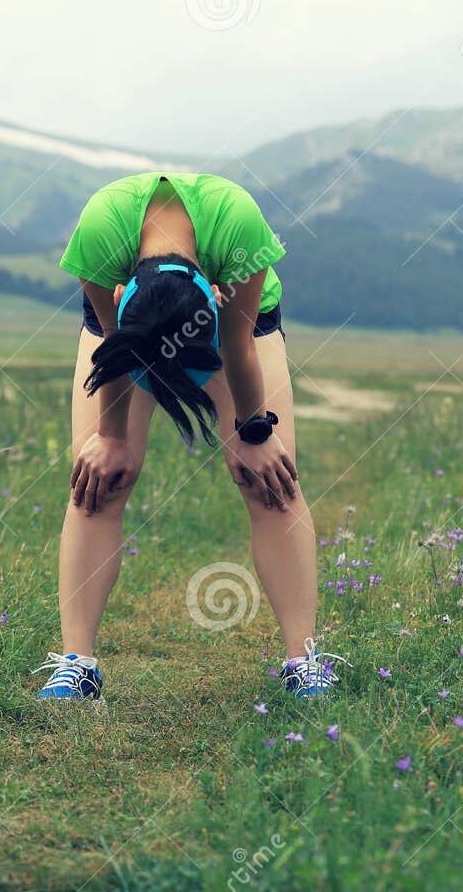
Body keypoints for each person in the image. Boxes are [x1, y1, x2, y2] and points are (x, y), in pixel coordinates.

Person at [33, 173, 344, 701]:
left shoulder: (237, 225)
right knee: (99, 479)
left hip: (240, 328)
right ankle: (75, 663)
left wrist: (255, 429)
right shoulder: (102, 229)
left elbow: (240, 348)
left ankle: (304, 660)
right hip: (125, 334)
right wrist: (111, 437)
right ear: (118, 291)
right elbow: (114, 341)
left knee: (268, 479)